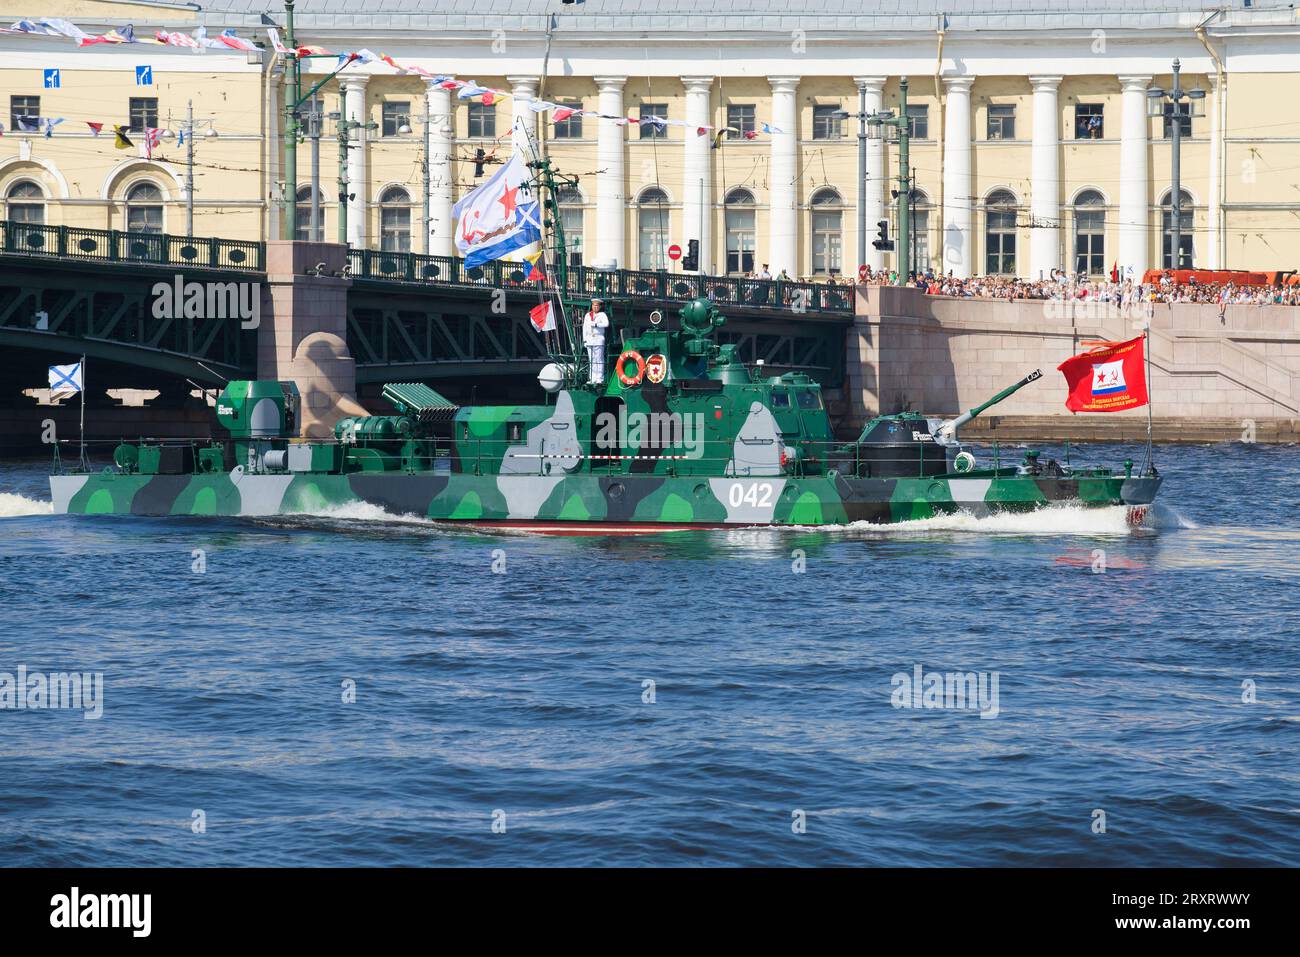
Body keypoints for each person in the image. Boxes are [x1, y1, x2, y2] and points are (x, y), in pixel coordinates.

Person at [582, 298, 610, 385]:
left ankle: (599, 378)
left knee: (599, 359)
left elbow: (606, 324)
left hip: (598, 338)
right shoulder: (588, 315)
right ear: (592, 306)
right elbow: (584, 328)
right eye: (594, 305)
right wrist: (585, 340)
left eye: (597, 305)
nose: (595, 307)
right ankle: (592, 378)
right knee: (592, 359)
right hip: (590, 338)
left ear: (600, 306)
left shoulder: (602, 315)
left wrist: (596, 324)